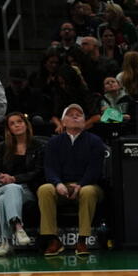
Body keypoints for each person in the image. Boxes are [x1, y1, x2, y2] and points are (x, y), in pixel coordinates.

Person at [36, 104, 106, 257]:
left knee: (88, 191)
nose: (75, 116)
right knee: (44, 189)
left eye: (79, 114)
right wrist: (58, 183)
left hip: (88, 185)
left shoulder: (95, 141)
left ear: (84, 121)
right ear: (63, 122)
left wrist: (81, 184)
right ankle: (53, 239)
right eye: (70, 114)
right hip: (62, 186)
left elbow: (95, 169)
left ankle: (82, 239)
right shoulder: (53, 142)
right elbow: (49, 168)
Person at [0, 113, 43, 256]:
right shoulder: (3, 147)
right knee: (10, 189)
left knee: (6, 197)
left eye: (19, 121)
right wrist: (1, 179)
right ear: (9, 129)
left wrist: (14, 178)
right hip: (2, 188)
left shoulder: (37, 146)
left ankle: (6, 242)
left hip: (27, 190)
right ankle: (18, 227)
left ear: (26, 124)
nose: (17, 125)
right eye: (12, 123)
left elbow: (39, 171)